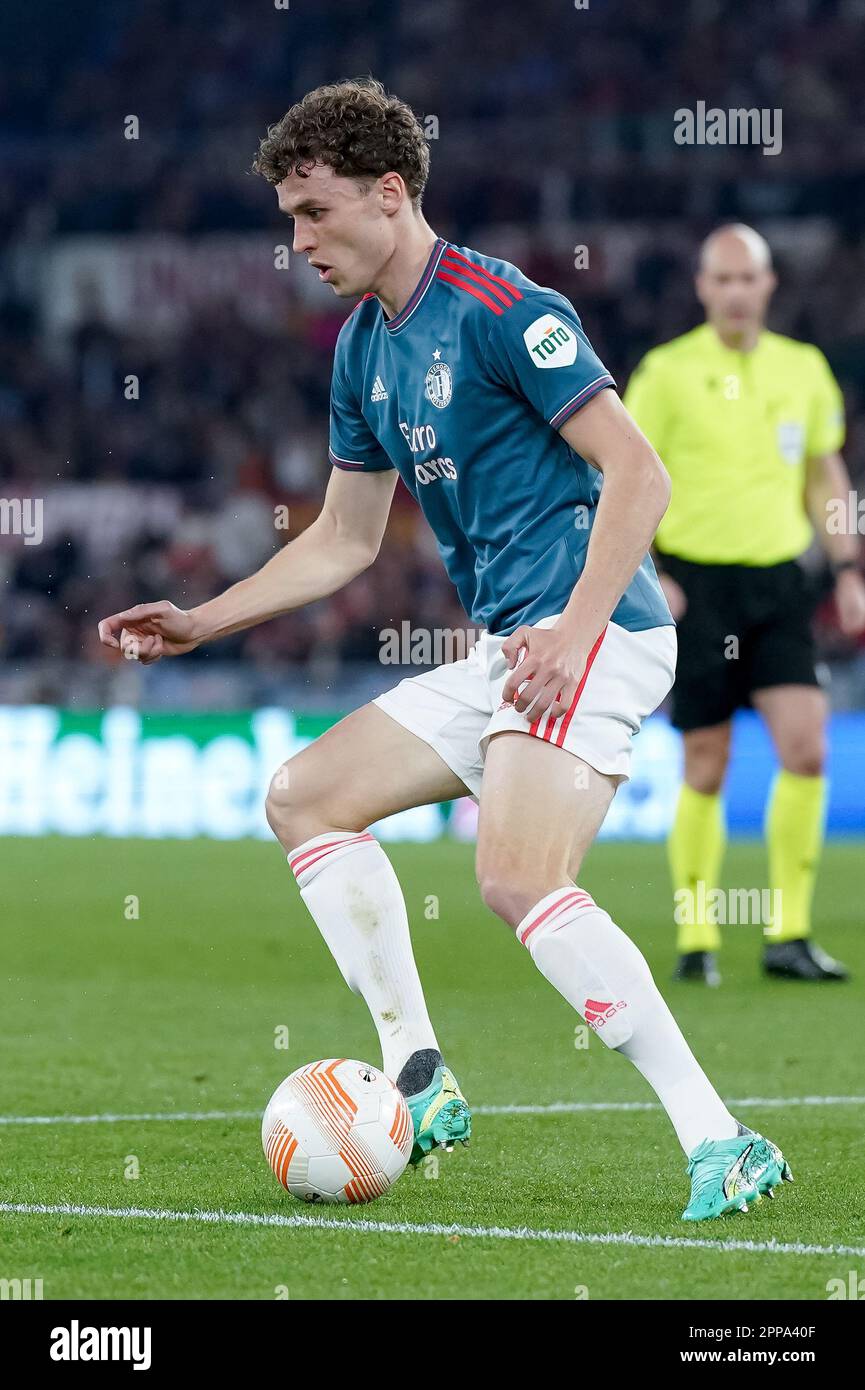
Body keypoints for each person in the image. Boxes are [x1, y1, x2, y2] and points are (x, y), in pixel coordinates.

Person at [99, 82, 791, 1221]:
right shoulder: (363, 351)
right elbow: (343, 540)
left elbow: (641, 474)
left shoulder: (504, 309)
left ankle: (721, 1138)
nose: (298, 242)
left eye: (313, 212)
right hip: (513, 651)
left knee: (515, 877)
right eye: (287, 218)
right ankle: (420, 1076)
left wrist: (573, 629)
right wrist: (201, 619)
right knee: (303, 798)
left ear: (390, 190)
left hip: (599, 633)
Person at [625, 225, 865, 986]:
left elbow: (825, 477)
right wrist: (646, 568)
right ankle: (698, 937)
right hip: (695, 584)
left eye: (746, 279)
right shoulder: (664, 374)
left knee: (806, 748)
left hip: (778, 583)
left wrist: (850, 566)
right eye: (720, 279)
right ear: (702, 287)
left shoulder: (803, 369)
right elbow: (623, 476)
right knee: (705, 762)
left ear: (767, 286)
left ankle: (786, 933)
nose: (734, 292)